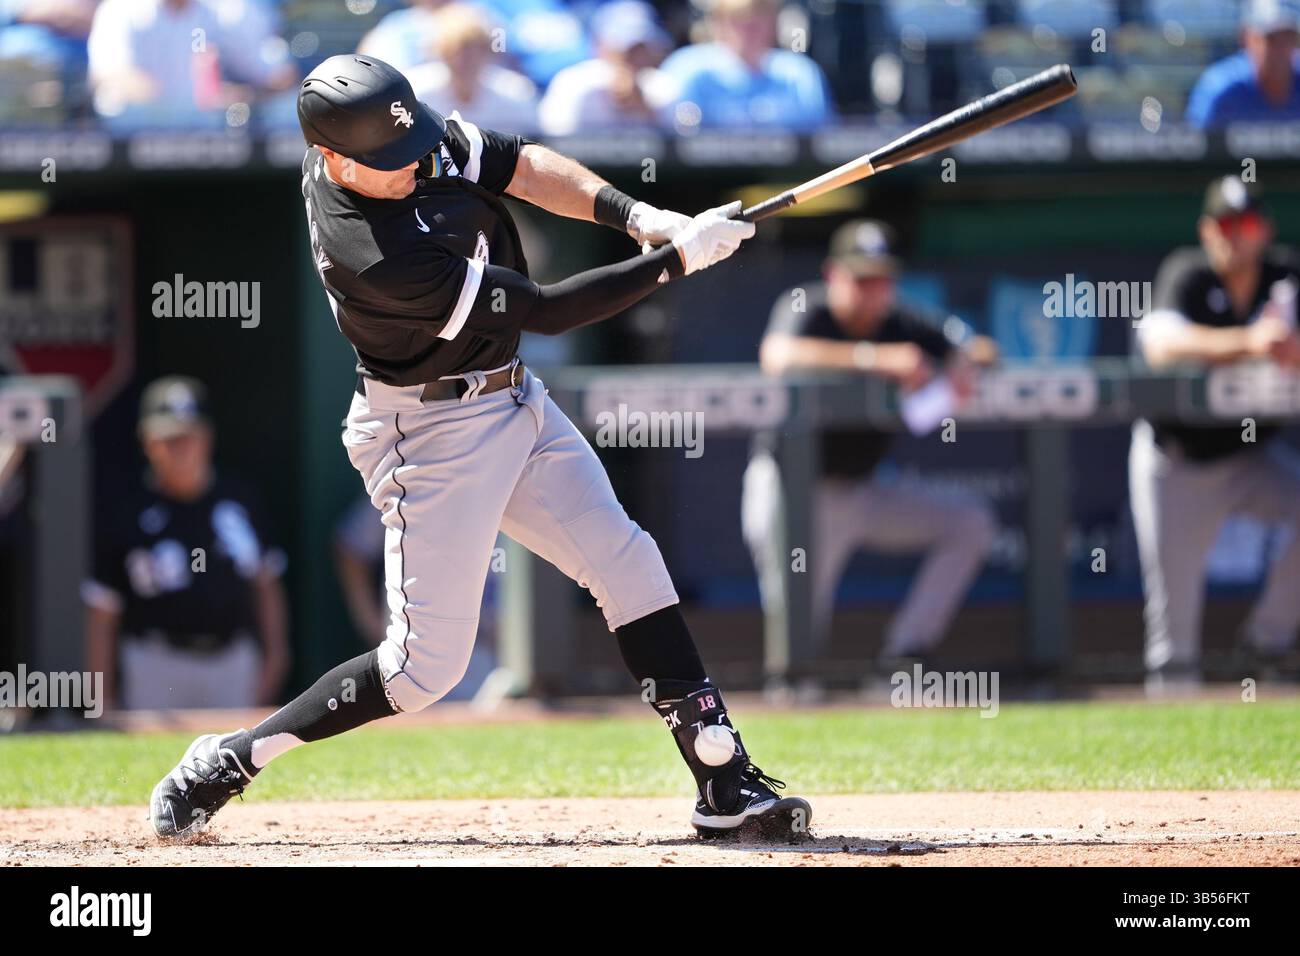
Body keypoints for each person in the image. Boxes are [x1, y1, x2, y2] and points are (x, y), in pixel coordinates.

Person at [148, 54, 810, 840]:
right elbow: (554, 311)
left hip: (512, 394)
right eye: (386, 163)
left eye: (409, 147)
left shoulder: (388, 138)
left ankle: (720, 773)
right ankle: (233, 757)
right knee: (422, 671)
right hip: (430, 432)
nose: (410, 165)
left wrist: (641, 218)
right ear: (331, 159)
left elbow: (520, 164)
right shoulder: (376, 256)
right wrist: (678, 260)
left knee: (628, 561)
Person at [744, 221, 997, 677]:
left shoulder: (901, 319)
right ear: (833, 275)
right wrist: (874, 359)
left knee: (969, 524)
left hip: (866, 489)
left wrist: (962, 361)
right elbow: (777, 356)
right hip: (795, 490)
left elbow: (976, 346)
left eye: (881, 279)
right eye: (861, 279)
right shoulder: (808, 307)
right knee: (796, 633)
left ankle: (905, 653)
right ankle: (789, 701)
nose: (873, 291)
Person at [1130, 176, 1300, 692]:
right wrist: (1251, 342)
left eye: (1245, 224)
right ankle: (1169, 760)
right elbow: (1162, 347)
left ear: (1263, 229)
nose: (1235, 236)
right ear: (1208, 231)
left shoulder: (1285, 276)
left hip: (1249, 459)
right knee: (1173, 640)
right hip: (1176, 463)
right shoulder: (1187, 273)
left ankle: (1266, 642)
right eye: (1225, 225)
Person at [81, 376, 290, 711]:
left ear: (207, 438)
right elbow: (102, 611)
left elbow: (266, 583)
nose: (181, 449)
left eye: (189, 436)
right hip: (156, 662)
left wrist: (276, 656)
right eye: (169, 439)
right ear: (147, 442)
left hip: (232, 661)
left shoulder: (238, 500)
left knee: (236, 759)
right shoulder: (126, 510)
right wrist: (101, 697)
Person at [333, 494, 500, 699]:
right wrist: (371, 625)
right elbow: (351, 547)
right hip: (417, 654)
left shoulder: (512, 485)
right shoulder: (418, 483)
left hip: (492, 663)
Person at [87, 0, 295, 127]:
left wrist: (245, 96)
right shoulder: (119, 9)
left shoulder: (223, 11)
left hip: (207, 137)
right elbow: (109, 74)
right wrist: (182, 105)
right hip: (136, 132)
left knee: (286, 109)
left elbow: (278, 76)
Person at [659, 0, 832, 130]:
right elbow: (673, 134)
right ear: (718, 23)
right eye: (739, 19)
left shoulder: (799, 72)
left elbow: (821, 136)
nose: (750, 29)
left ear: (774, 22)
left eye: (759, 19)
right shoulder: (686, 67)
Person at [538, 0, 676, 135]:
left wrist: (648, 112)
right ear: (600, 44)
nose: (635, 56)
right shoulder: (575, 84)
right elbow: (551, 146)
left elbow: (684, 143)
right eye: (627, 49)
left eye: (641, 48)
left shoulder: (662, 88)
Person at [406, 3, 538, 134]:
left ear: (486, 50)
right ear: (441, 52)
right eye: (455, 50)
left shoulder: (515, 93)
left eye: (473, 48)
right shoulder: (416, 93)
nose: (464, 59)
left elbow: (533, 141)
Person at [1185, 0, 1300, 129]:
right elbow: (1197, 143)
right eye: (1271, 39)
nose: (1281, 48)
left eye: (1289, 37)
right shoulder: (1220, 89)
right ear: (1247, 38)